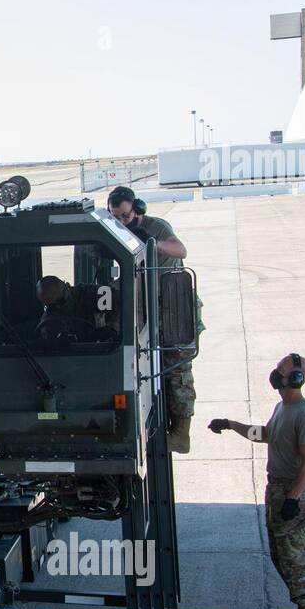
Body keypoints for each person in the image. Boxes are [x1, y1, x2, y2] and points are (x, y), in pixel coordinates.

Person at [208, 353, 305, 609]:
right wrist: (230, 424)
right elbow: (266, 434)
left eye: (280, 370)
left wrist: (293, 498)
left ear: (295, 378)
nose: (275, 373)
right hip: (278, 489)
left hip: (292, 491)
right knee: (280, 555)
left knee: (294, 556)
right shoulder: (283, 408)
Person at [106, 186, 199, 454]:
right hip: (145, 310)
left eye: (124, 215)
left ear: (137, 209)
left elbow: (180, 250)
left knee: (177, 369)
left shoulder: (155, 227)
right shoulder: (118, 230)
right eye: (116, 216)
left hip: (173, 310)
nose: (121, 221)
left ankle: (181, 434)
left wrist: (152, 244)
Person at [34, 275, 117, 343]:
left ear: (67, 287)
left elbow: (123, 311)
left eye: (60, 301)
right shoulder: (48, 318)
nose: (57, 307)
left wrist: (110, 328)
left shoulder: (95, 294)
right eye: (51, 306)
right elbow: (48, 341)